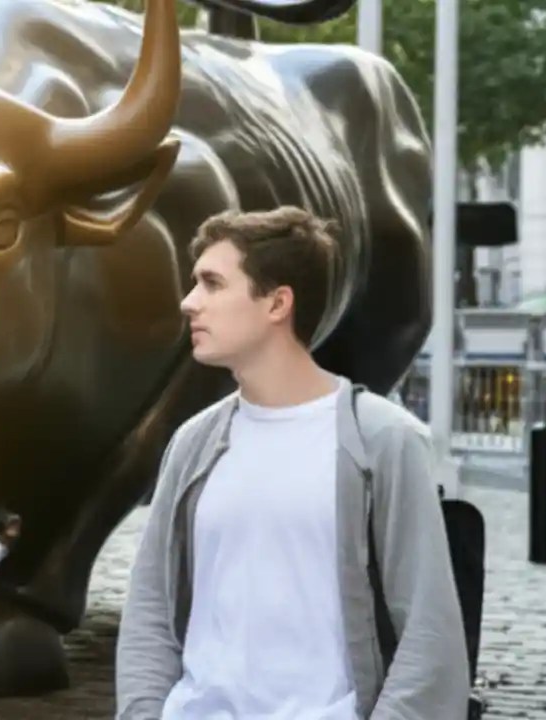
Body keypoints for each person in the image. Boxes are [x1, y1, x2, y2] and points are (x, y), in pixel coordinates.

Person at [115, 207, 469, 719]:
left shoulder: (383, 441)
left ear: (278, 303)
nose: (189, 303)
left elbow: (429, 634)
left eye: (213, 284)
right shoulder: (193, 443)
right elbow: (150, 606)